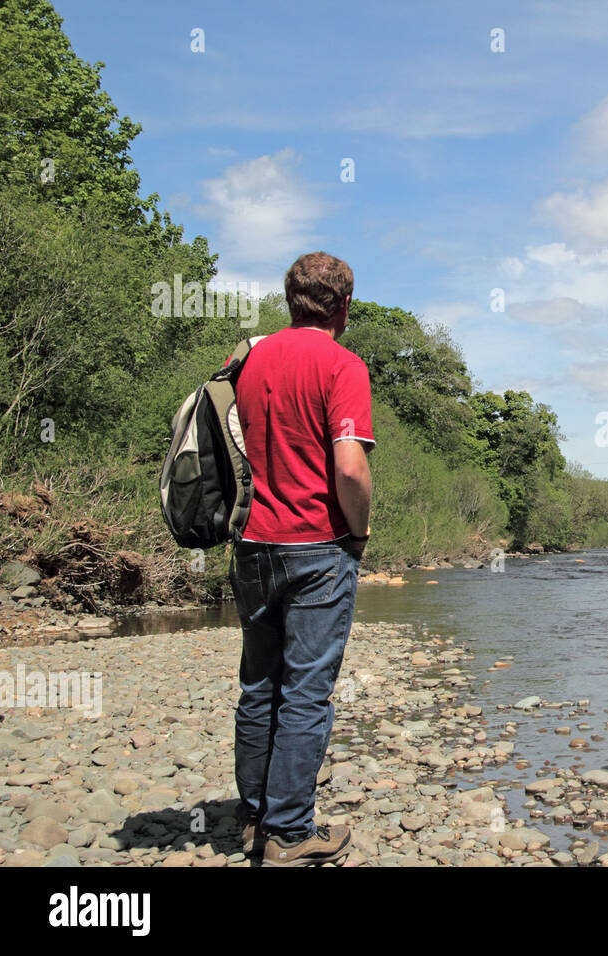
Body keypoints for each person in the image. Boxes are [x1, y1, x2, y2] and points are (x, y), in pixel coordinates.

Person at [228, 251, 374, 866]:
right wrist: (358, 534)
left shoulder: (245, 360)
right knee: (308, 690)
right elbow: (349, 467)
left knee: (259, 682)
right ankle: (289, 834)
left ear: (290, 301)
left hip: (251, 543)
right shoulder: (344, 365)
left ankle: (254, 816)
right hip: (317, 546)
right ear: (343, 305)